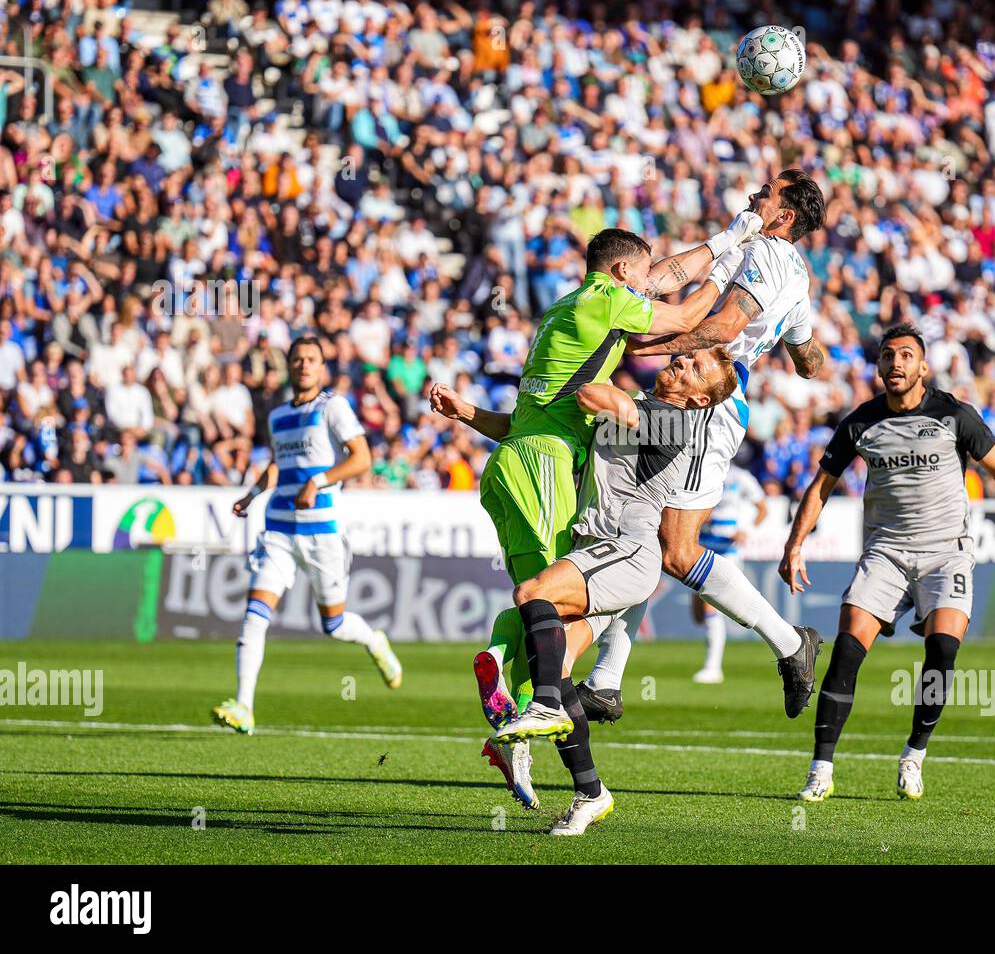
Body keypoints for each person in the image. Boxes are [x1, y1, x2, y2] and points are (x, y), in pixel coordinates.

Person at [429, 222, 756, 808]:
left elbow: (543, 413)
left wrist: (467, 413)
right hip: (547, 471)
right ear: (625, 273)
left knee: (538, 610)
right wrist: (738, 255)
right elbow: (683, 323)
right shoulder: (608, 300)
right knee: (544, 615)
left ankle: (531, 713)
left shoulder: (564, 312)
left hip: (513, 461)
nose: (651, 292)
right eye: (647, 278)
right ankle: (531, 708)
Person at [579, 168, 830, 724]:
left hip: (707, 404)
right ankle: (606, 679)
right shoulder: (789, 270)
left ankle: (791, 644)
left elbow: (722, 329)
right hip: (692, 394)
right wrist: (800, 350)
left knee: (675, 548)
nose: (753, 194)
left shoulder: (768, 254)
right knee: (640, 523)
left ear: (784, 215)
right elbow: (810, 361)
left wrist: (645, 344)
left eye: (766, 193)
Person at [779, 324, 995, 802]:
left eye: (906, 355)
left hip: (946, 552)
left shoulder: (954, 414)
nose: (896, 363)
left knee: (943, 652)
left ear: (923, 367)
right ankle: (821, 767)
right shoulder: (861, 422)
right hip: (885, 553)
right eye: (887, 355)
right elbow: (821, 485)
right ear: (879, 366)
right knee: (847, 650)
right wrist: (795, 544)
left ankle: (914, 753)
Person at [489, 346, 741, 833]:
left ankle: (540, 703)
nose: (683, 360)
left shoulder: (673, 421)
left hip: (627, 549)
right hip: (600, 551)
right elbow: (535, 430)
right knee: (558, 666)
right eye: (687, 356)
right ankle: (590, 792)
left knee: (530, 593)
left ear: (696, 401)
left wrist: (612, 346)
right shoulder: (643, 406)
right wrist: (468, 414)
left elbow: (586, 392)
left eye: (695, 368)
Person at [213, 336, 402, 734]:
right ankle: (244, 705)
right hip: (278, 528)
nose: (303, 365)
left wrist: (320, 480)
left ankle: (373, 641)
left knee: (332, 625)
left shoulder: (333, 407)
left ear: (321, 367)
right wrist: (250, 494)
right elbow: (277, 466)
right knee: (254, 615)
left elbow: (362, 458)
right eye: (297, 359)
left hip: (322, 534)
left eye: (311, 360)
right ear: (290, 366)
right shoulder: (278, 414)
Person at [692, 463, 768, 683]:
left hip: (728, 550)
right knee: (698, 614)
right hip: (701, 546)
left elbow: (763, 508)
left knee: (709, 604)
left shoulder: (740, 477)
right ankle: (713, 661)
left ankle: (713, 668)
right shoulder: (702, 470)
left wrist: (746, 531)